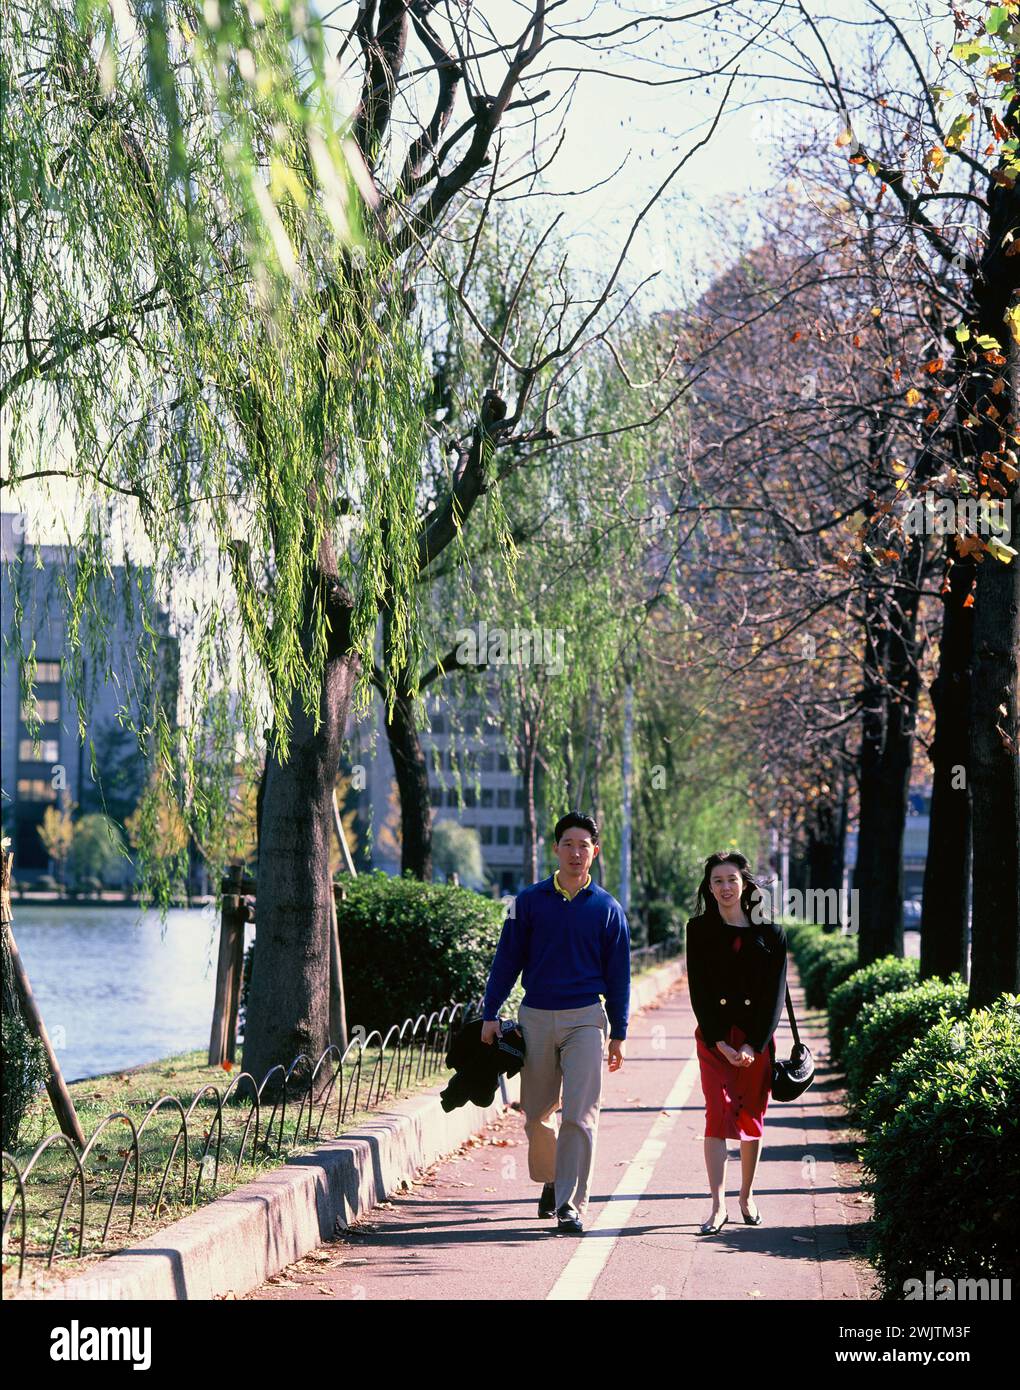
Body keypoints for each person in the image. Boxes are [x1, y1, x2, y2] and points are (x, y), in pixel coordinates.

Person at [480, 811, 630, 1235]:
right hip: (536, 1016)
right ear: (556, 849)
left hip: (586, 1017)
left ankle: (571, 1204)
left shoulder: (607, 909)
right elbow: (506, 959)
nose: (577, 852)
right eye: (569, 844)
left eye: (585, 846)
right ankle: (551, 1179)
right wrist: (491, 1014)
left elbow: (619, 976)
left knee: (579, 1116)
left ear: (595, 853)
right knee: (536, 1115)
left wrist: (618, 1033)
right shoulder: (527, 902)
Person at [685, 850, 787, 1234]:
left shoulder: (771, 933)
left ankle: (746, 1197)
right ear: (709, 888)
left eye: (731, 880)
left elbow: (774, 997)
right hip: (714, 1037)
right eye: (717, 881)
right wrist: (718, 1041)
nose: (725, 887)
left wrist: (752, 1045)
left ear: (744, 884)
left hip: (756, 1040)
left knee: (750, 1118)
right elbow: (699, 990)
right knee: (716, 1113)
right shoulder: (698, 929)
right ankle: (717, 1205)